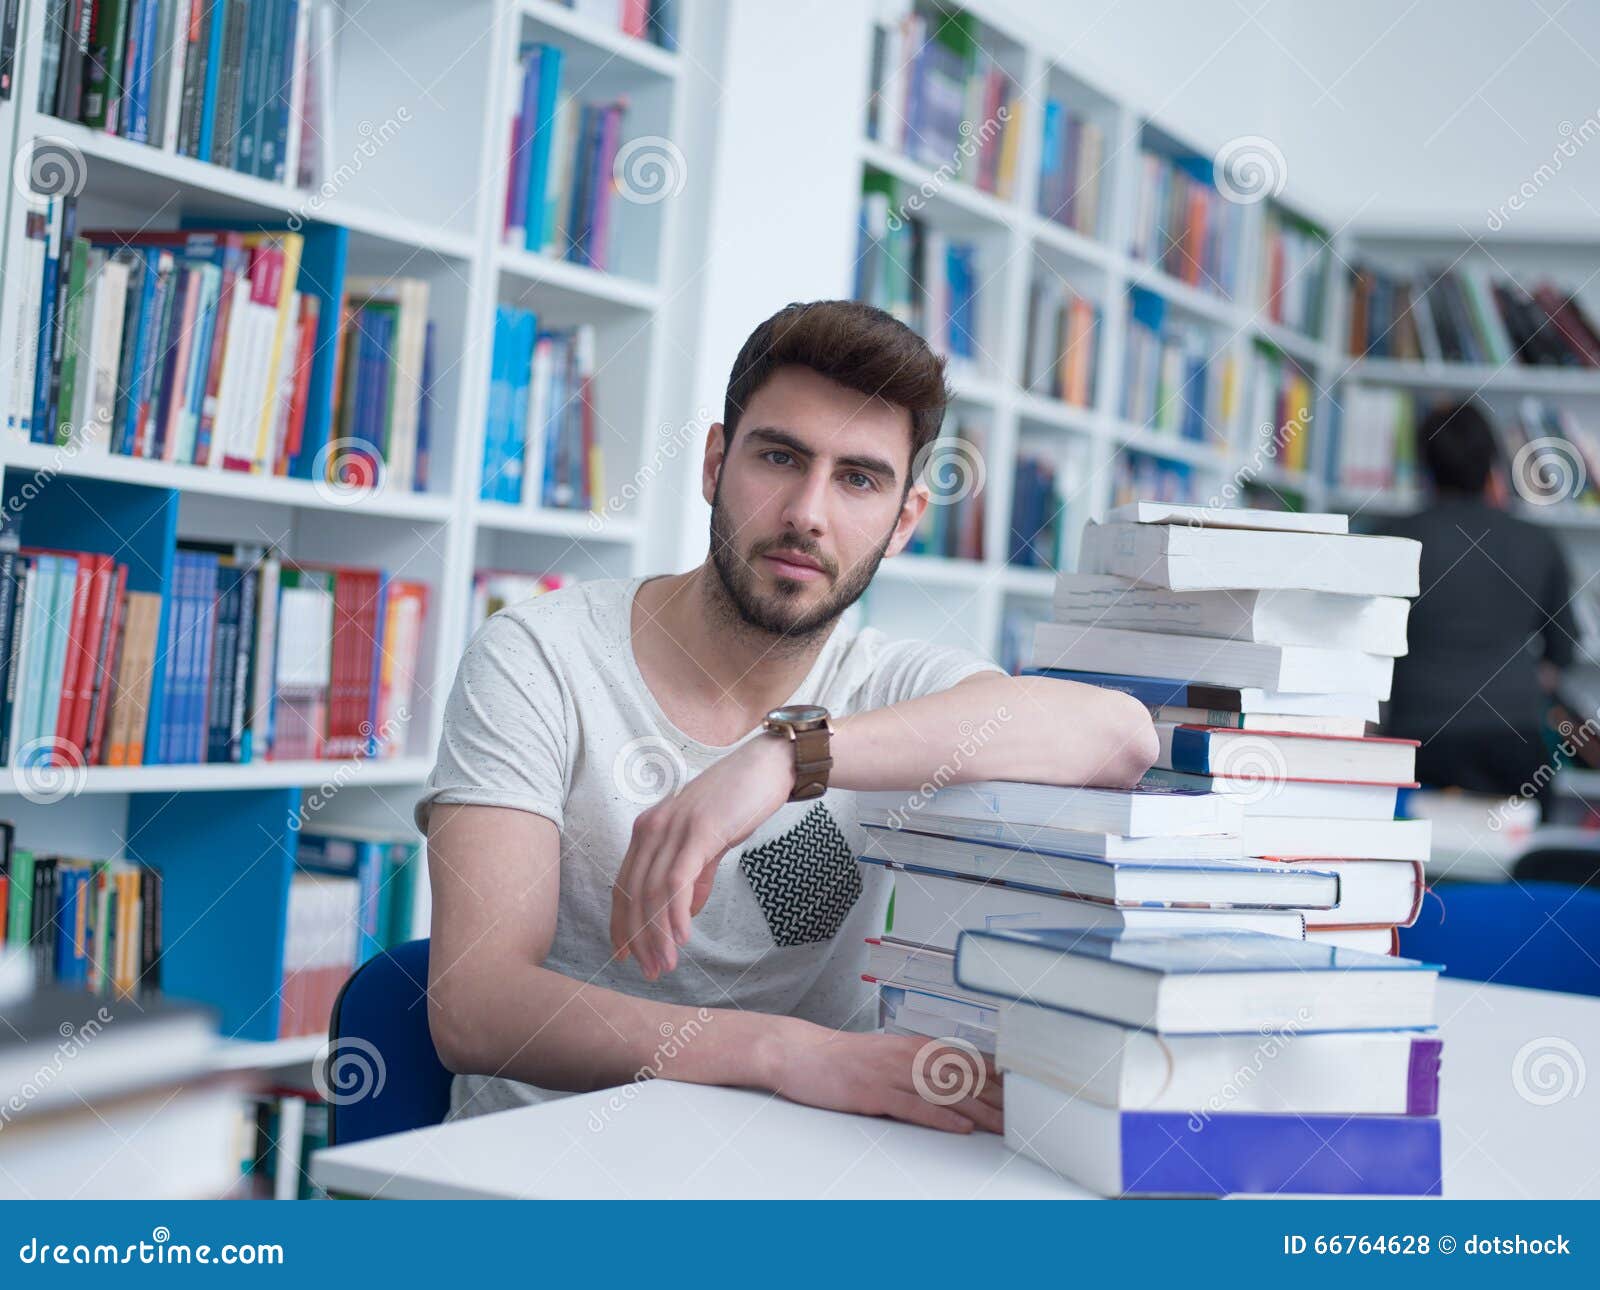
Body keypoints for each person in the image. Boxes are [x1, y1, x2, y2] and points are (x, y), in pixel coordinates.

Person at [417, 300, 1159, 1132]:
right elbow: (476, 1010)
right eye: (780, 457)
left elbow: (1121, 735)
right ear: (713, 465)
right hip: (534, 1175)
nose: (808, 512)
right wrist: (788, 1053)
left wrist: (784, 757)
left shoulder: (890, 689)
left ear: (904, 520)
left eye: (858, 479)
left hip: (792, 1175)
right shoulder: (540, 655)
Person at [1376, 401, 1577, 798]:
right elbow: (1563, 652)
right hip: (1513, 742)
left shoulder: (1390, 540)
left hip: (1417, 740)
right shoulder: (1538, 542)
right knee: (1520, 854)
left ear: (1424, 466)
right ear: (1492, 463)